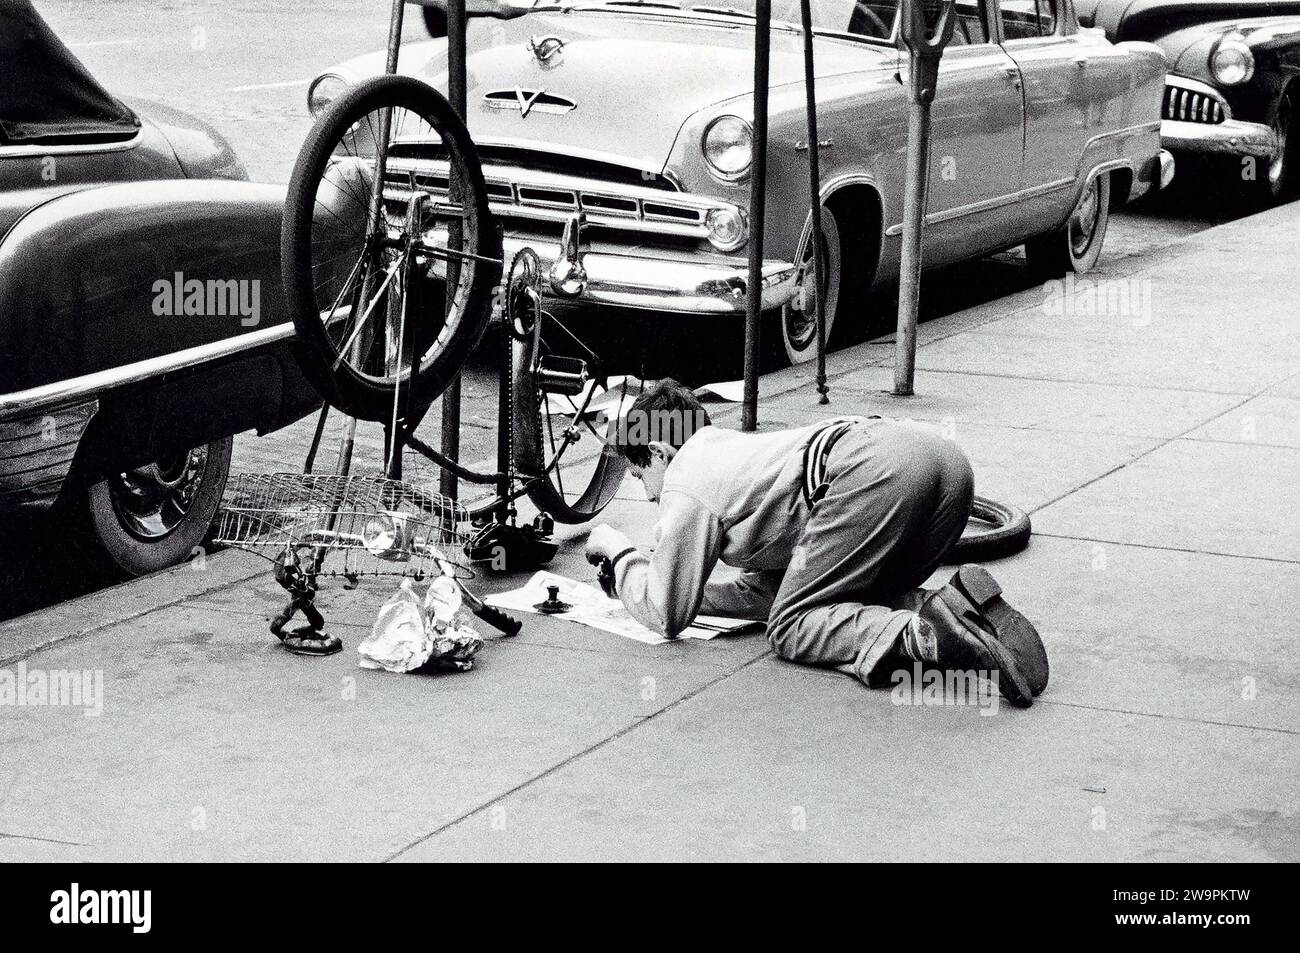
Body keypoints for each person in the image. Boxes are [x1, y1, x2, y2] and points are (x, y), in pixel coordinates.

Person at [585, 380, 1048, 707]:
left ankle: (927, 637)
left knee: (791, 629)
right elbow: (765, 592)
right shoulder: (736, 458)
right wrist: (678, 583)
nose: (647, 494)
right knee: (851, 600)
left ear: (663, 452)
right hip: (941, 463)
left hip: (872, 470)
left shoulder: (687, 479)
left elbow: (666, 616)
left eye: (640, 474)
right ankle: (964, 609)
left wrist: (621, 553)